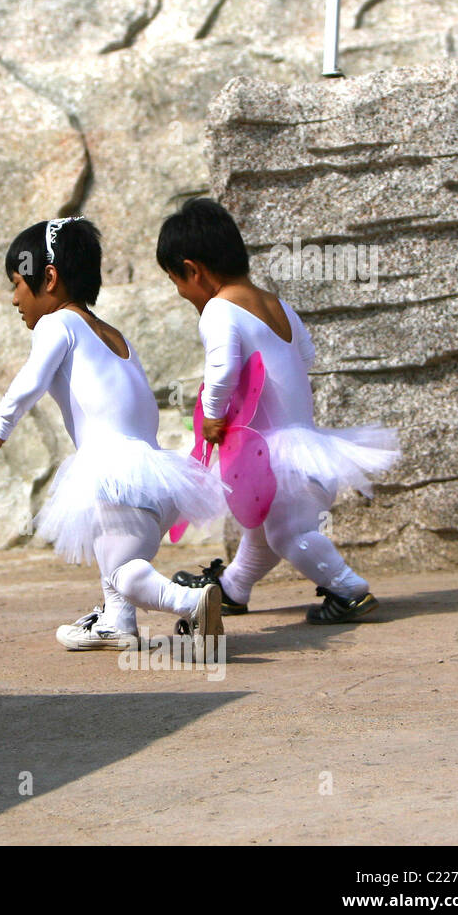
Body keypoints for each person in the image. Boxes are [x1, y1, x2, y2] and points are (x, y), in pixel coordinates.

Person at [0, 217, 226, 649]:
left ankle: (191, 602)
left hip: (115, 468)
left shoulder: (58, 325)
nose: (14, 298)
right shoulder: (112, 334)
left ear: (49, 279)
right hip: (155, 473)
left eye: (17, 283)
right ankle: (117, 622)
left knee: (123, 570)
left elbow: (31, 380)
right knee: (110, 544)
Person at [157, 197, 400, 624]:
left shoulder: (217, 309)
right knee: (262, 527)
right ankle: (232, 589)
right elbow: (304, 356)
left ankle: (349, 591)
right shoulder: (279, 304)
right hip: (307, 442)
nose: (181, 292)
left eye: (177, 280)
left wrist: (213, 414)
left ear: (193, 270)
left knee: (289, 532)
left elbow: (223, 369)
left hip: (275, 452)